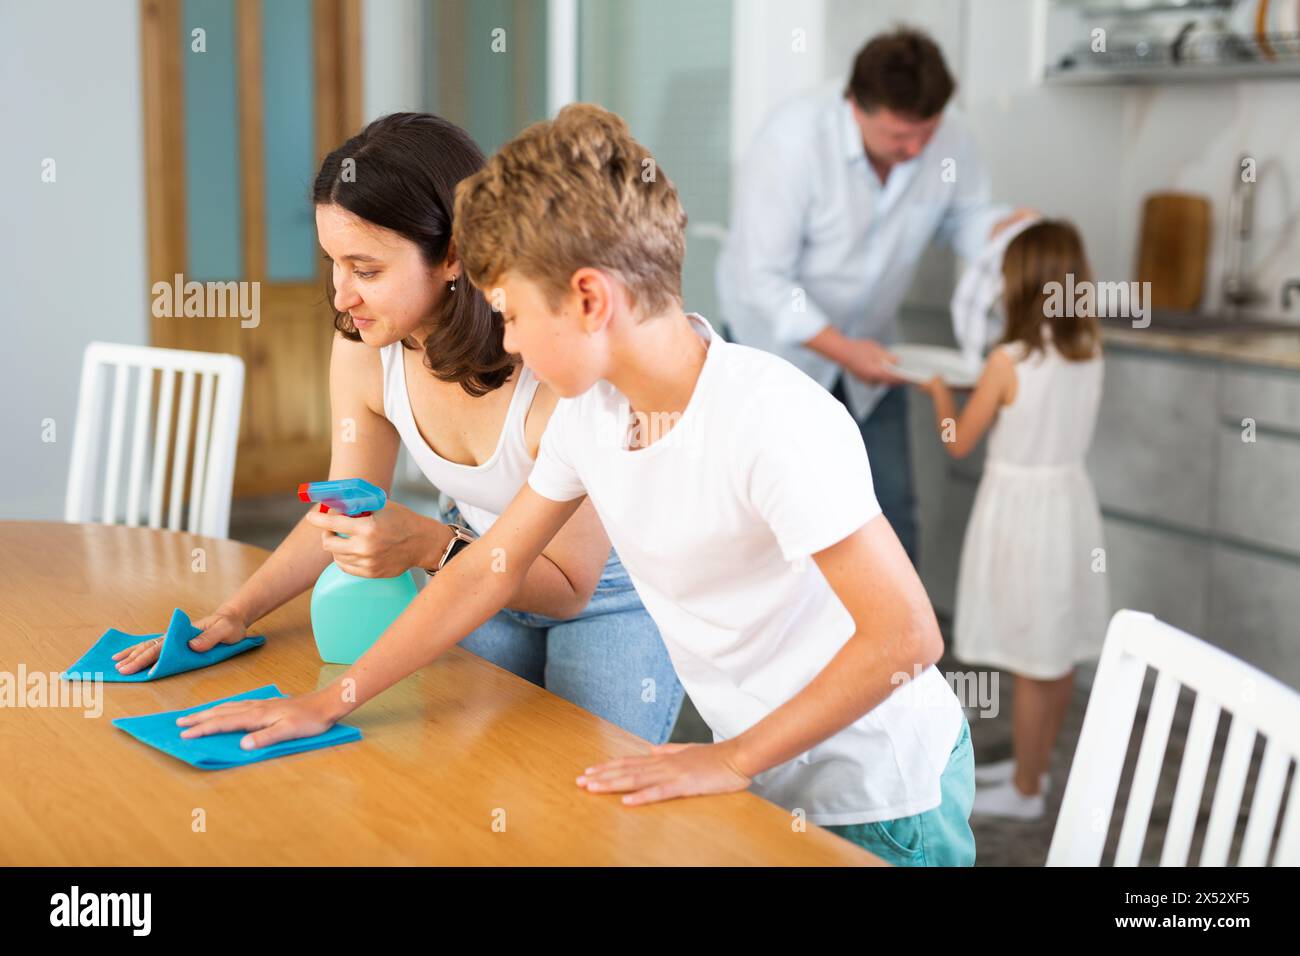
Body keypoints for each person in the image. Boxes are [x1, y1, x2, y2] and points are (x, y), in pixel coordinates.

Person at [174, 103, 976, 866]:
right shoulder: (594, 417)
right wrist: (330, 701)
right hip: (767, 773)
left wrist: (730, 758)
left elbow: (906, 638)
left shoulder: (773, 418)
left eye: (514, 315)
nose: (507, 341)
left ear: (589, 298)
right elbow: (492, 568)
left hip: (881, 796)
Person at [114, 112, 683, 745]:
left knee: (584, 799)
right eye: (333, 264)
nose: (341, 297)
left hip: (605, 596)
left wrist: (425, 547)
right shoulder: (365, 348)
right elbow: (346, 505)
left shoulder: (557, 367)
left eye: (367, 270)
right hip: (469, 567)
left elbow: (570, 587)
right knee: (455, 769)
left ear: (452, 256)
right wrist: (233, 613)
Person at [717, 26, 1035, 564]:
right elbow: (763, 279)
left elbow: (962, 219)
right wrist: (842, 350)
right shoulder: (792, 142)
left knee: (887, 510)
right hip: (775, 354)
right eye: (897, 138)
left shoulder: (948, 137)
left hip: (877, 353)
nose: (913, 151)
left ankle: (904, 647)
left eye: (924, 135)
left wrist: (1005, 230)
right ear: (855, 107)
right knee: (772, 524)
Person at [915, 219, 1108, 820]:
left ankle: (1024, 792)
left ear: (1019, 282)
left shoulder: (1009, 359)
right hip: (1070, 506)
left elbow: (957, 441)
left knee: (1030, 657)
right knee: (1055, 653)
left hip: (1020, 516)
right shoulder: (1089, 350)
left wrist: (939, 391)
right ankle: (1034, 772)